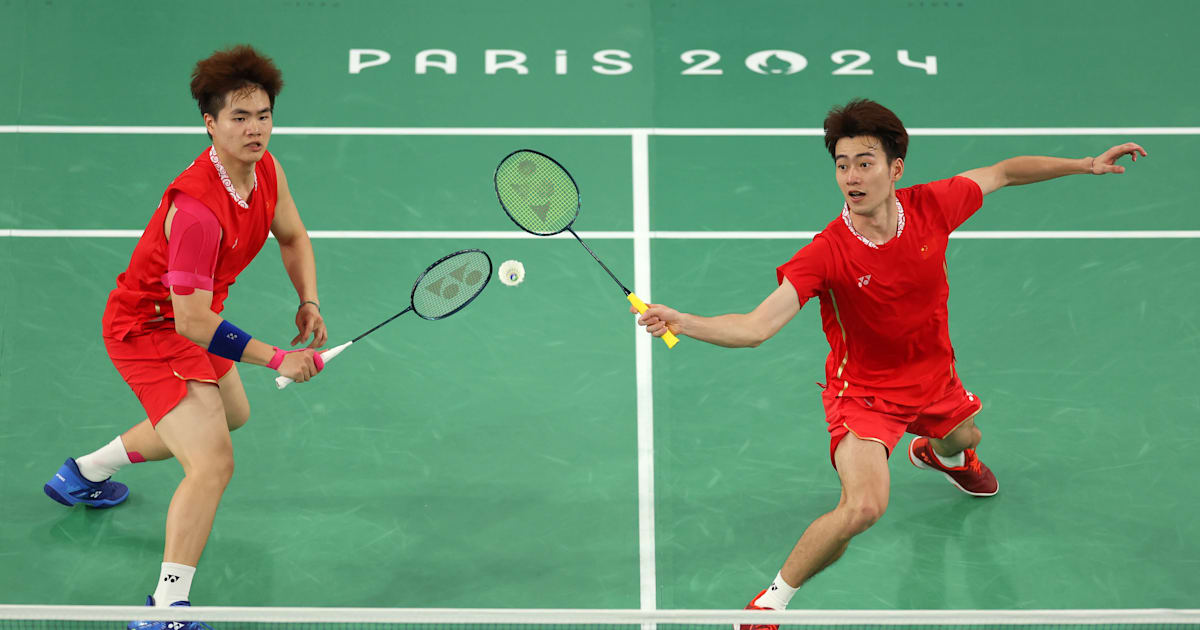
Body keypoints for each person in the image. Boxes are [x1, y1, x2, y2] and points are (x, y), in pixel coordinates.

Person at [632, 99, 1145, 626]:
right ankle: (771, 600)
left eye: (864, 162)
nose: (851, 176)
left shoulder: (933, 206)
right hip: (866, 397)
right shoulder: (826, 253)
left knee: (965, 439)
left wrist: (1084, 165)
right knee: (863, 508)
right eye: (841, 164)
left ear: (895, 168)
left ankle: (937, 454)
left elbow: (1004, 172)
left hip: (935, 378)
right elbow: (756, 327)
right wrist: (683, 321)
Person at [42, 45, 328, 629]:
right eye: (239, 118)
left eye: (264, 116)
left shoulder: (267, 171)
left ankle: (85, 473)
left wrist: (308, 300)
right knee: (212, 463)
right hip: (149, 329)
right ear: (210, 122)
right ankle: (166, 607)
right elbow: (193, 323)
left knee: (231, 413)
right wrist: (281, 357)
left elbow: (293, 237)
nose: (255, 130)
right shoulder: (197, 209)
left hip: (193, 319)